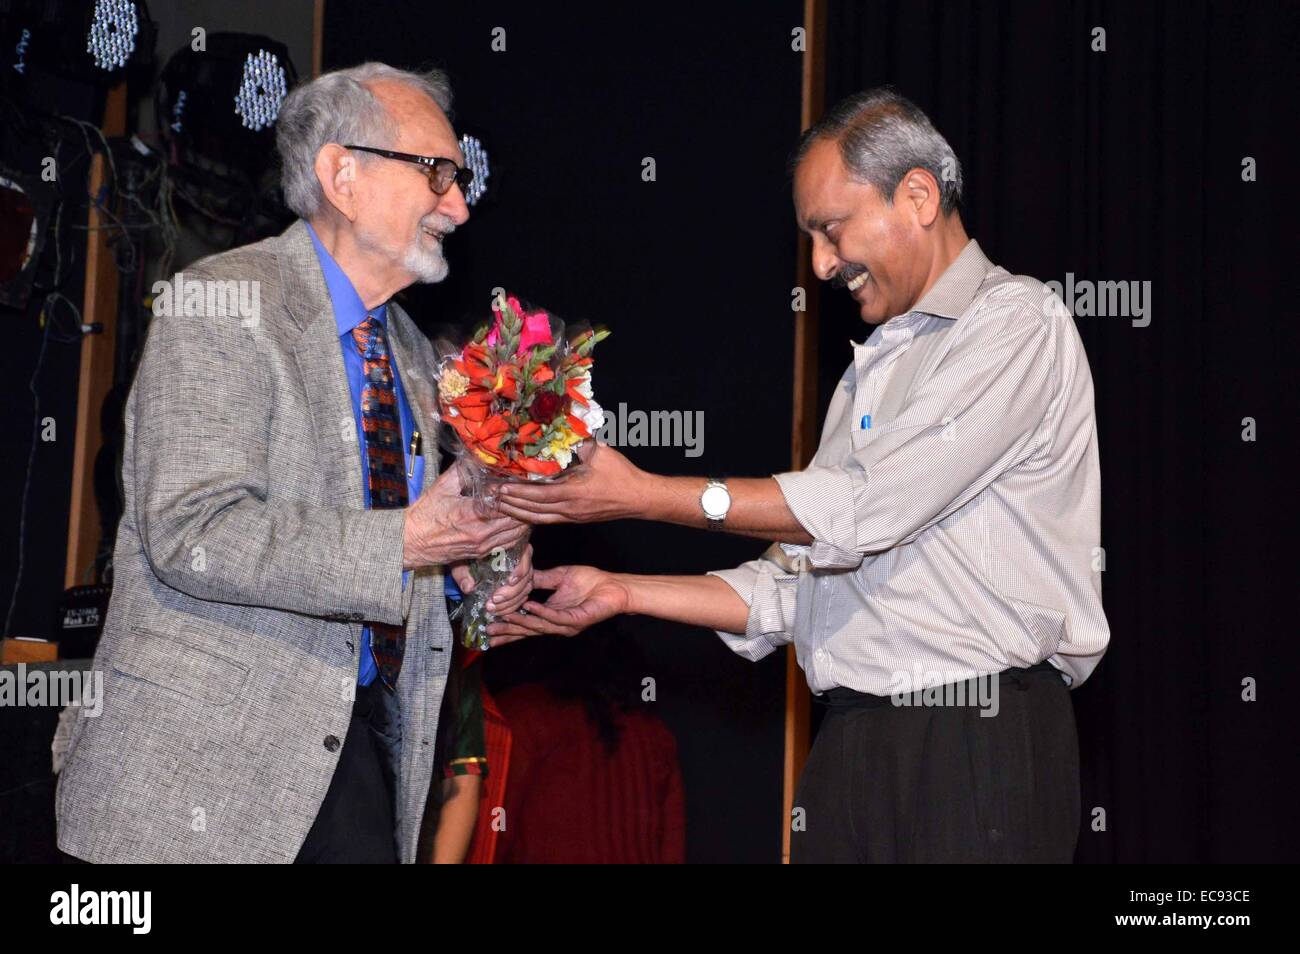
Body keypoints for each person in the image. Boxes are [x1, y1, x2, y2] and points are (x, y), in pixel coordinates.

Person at [490, 88, 1110, 863]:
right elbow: (795, 583)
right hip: (852, 741)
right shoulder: (872, 368)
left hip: (970, 737)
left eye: (830, 230)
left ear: (917, 194)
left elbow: (865, 507)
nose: (820, 265)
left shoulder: (1017, 323)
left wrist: (642, 493)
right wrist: (620, 592)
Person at [55, 63, 533, 864]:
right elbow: (194, 532)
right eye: (437, 174)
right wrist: (411, 542)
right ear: (343, 175)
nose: (458, 203)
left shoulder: (416, 358)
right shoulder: (220, 304)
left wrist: (485, 566)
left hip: (364, 775)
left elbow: (412, 543)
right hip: (196, 787)